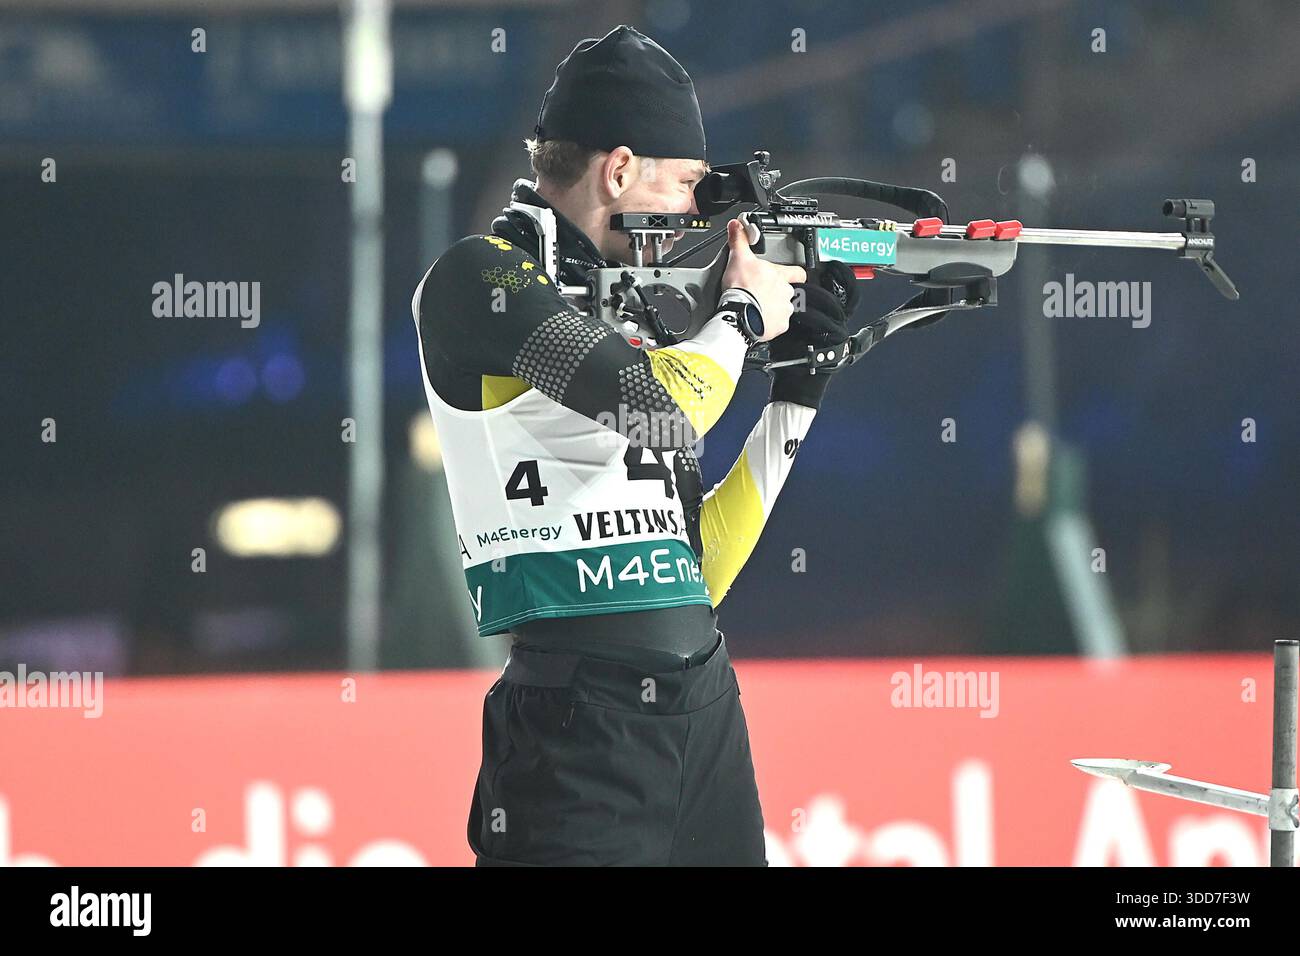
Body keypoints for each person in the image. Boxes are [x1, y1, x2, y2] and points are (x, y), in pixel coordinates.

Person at [412, 24, 859, 866]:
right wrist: (741, 316)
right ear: (619, 171)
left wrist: (798, 395)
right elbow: (659, 411)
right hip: (574, 723)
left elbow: (698, 574)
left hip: (704, 709)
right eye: (686, 184)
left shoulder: (642, 313)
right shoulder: (479, 281)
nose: (697, 210)